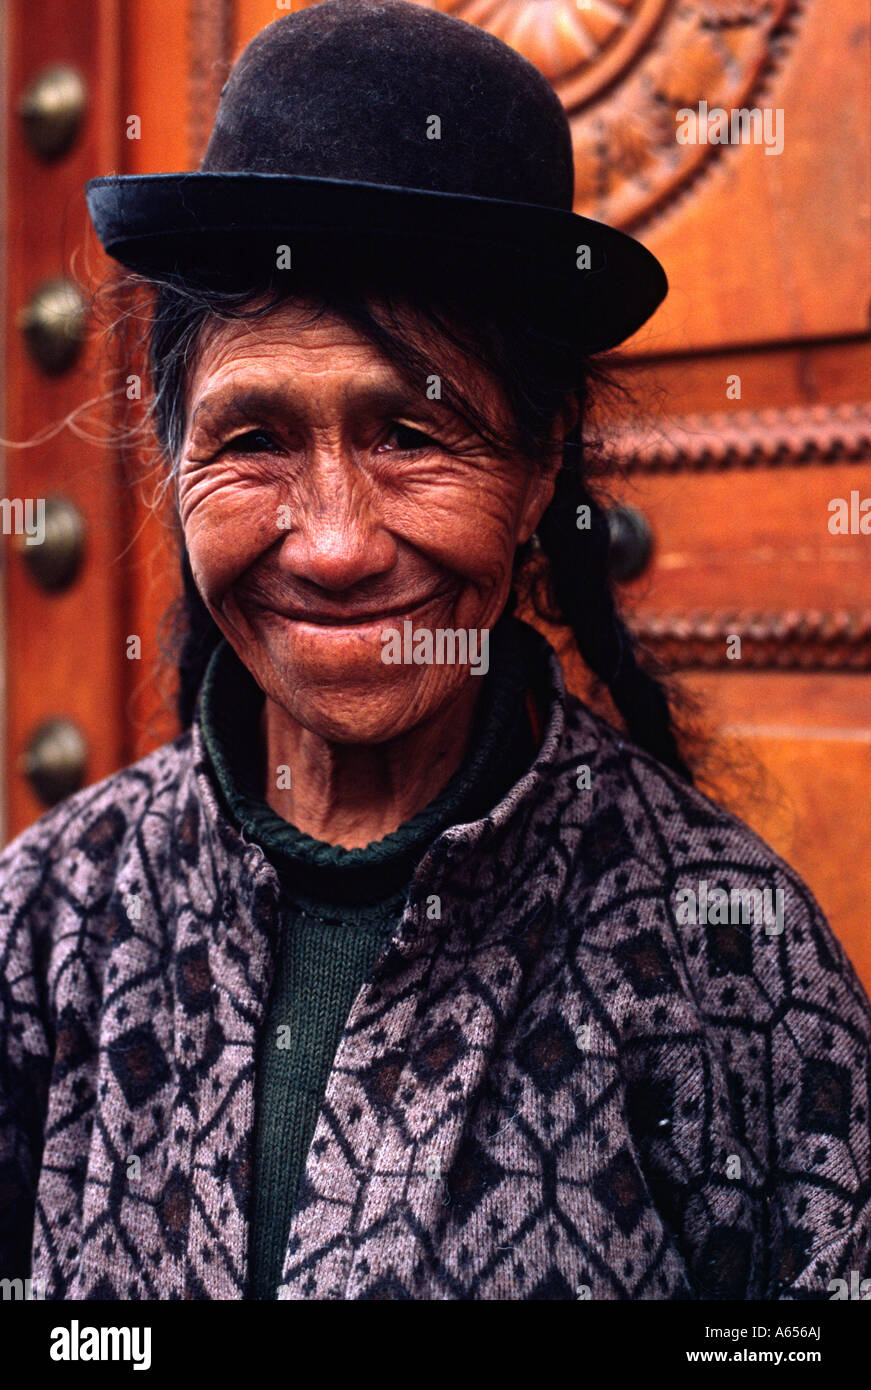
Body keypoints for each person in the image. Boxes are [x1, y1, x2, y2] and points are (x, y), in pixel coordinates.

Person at [1, 0, 869, 1302]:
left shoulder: (730, 962)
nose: (338, 542)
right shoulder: (49, 925)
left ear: (535, 470)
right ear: (172, 457)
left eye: (415, 433)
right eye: (254, 439)